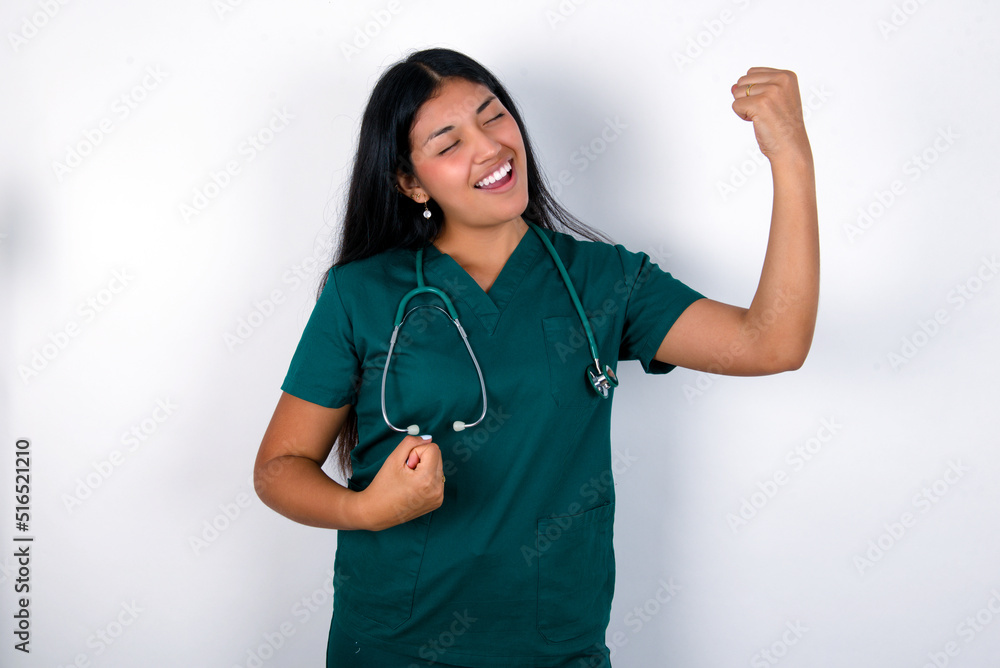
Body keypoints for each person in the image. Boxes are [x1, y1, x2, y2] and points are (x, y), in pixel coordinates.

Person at [253, 48, 818, 667]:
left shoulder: (605, 282)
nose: (490, 147)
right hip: (394, 644)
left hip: (552, 646)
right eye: (448, 143)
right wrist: (364, 508)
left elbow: (772, 342)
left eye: (494, 117)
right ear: (411, 182)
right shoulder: (361, 293)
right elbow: (280, 466)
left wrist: (790, 157)